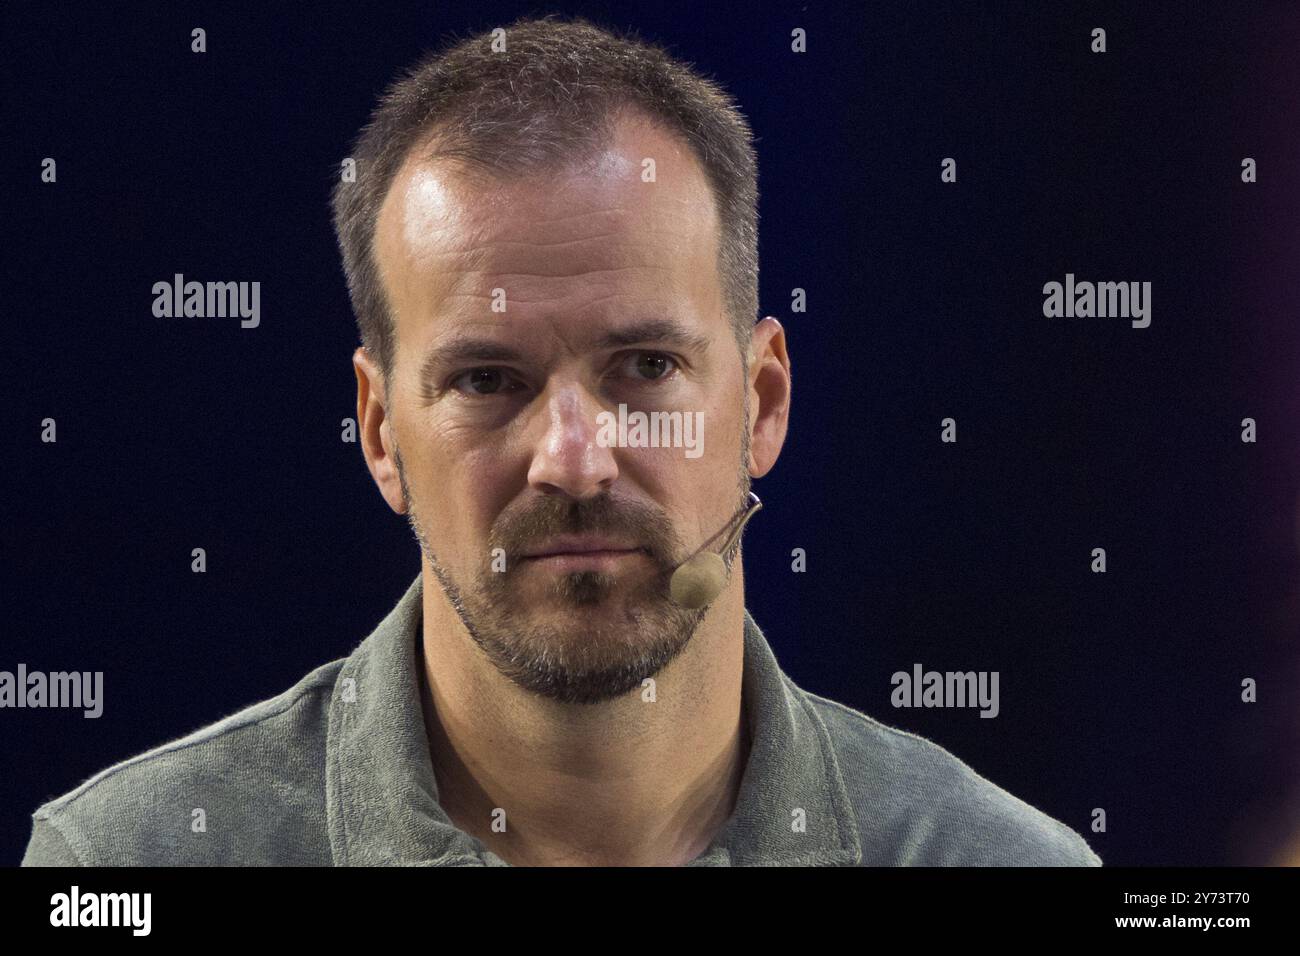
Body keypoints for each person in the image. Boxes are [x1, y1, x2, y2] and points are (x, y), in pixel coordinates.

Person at [22, 14, 1100, 867]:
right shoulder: (129, 863)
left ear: (764, 401)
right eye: (488, 379)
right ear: (382, 430)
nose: (575, 460)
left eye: (644, 367)